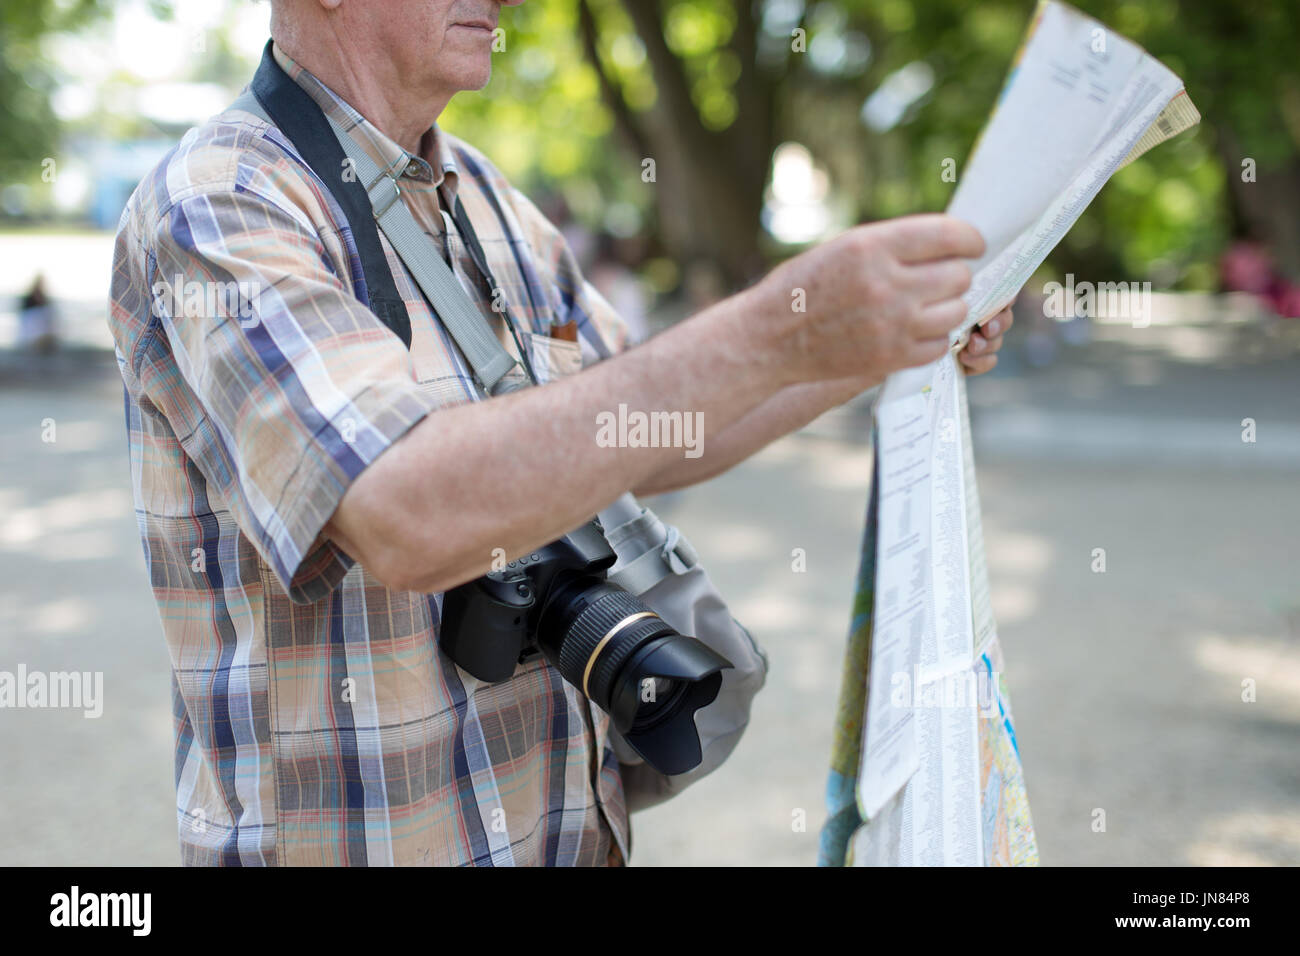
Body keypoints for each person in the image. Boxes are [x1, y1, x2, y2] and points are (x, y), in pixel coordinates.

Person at [107, 0, 1011, 866]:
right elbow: (402, 515)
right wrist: (774, 328)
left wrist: (879, 343)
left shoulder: (490, 200)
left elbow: (654, 431)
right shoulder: (222, 203)